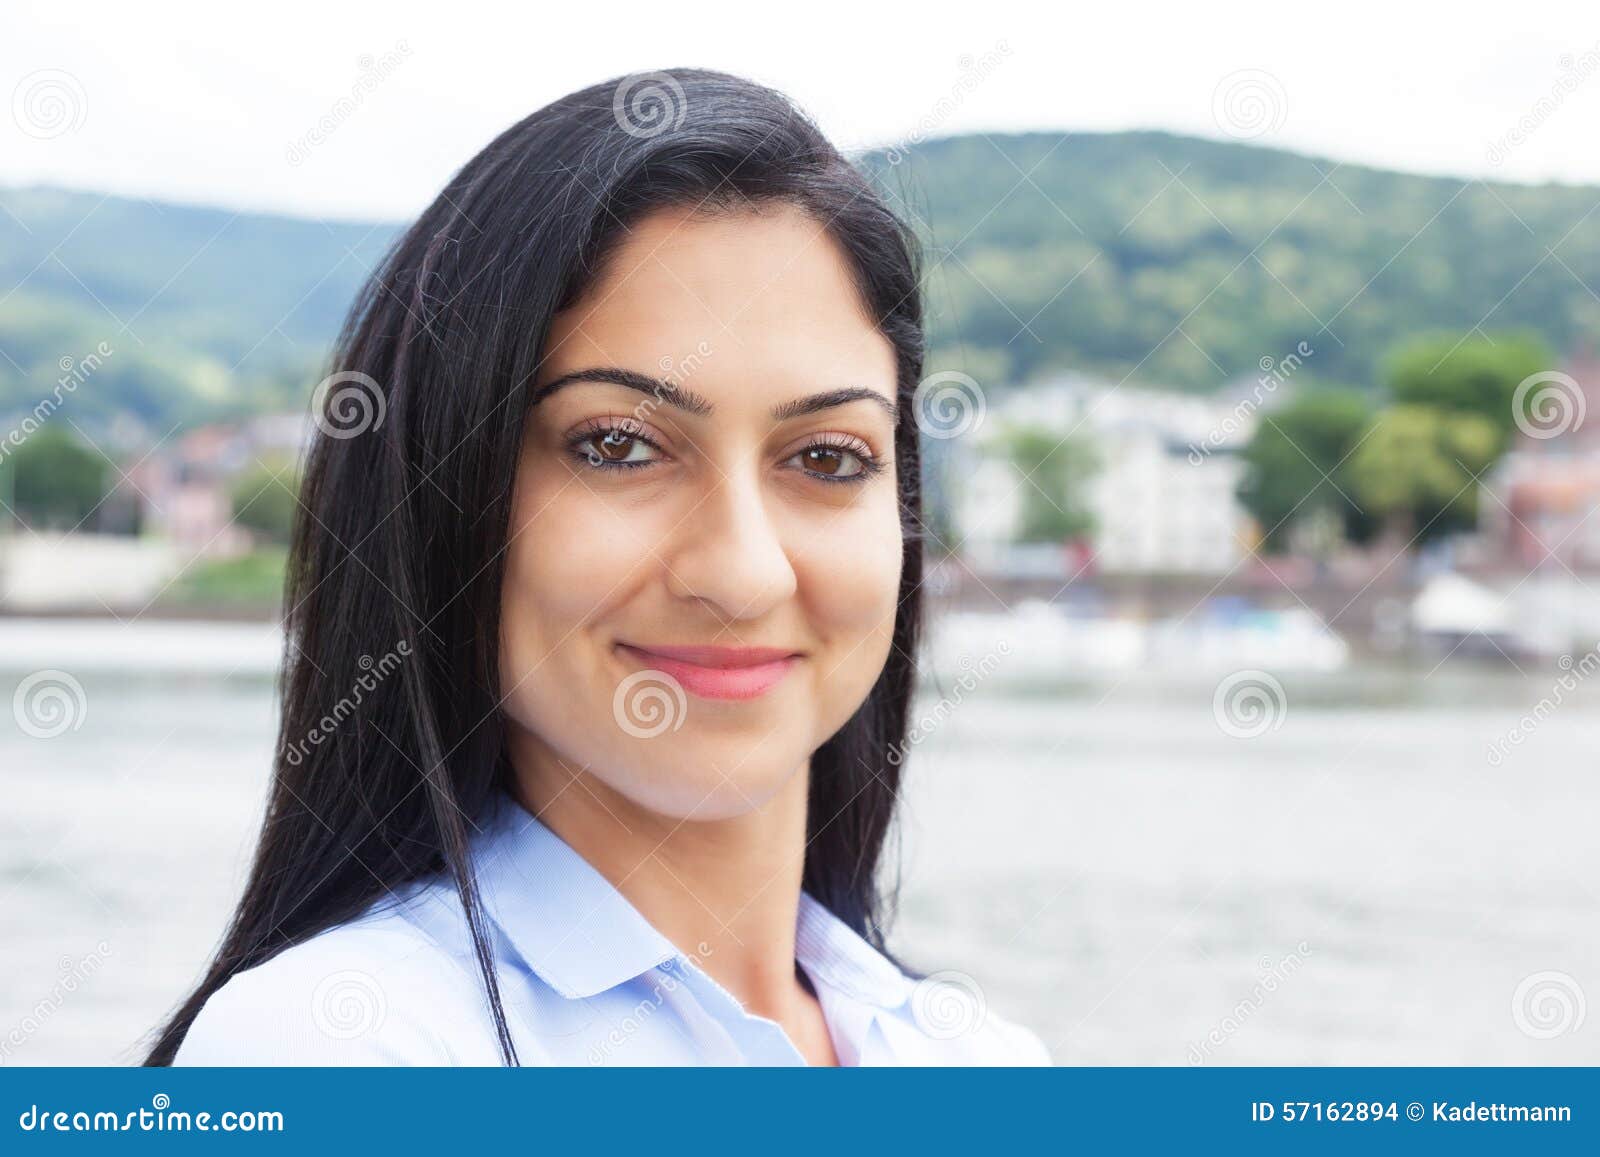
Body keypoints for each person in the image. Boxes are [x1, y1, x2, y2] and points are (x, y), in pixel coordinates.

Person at [147, 67, 1049, 1066]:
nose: (744, 574)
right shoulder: (335, 1042)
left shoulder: (982, 1062)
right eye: (619, 446)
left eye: (828, 458)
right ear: (448, 494)